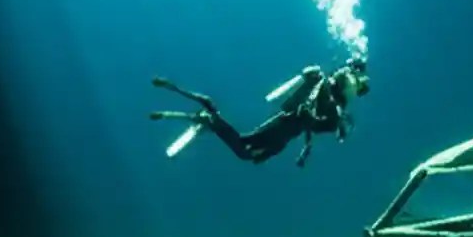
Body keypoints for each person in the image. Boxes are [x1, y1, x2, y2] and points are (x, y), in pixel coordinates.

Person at [149, 57, 370, 167]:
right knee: (245, 148)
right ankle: (208, 116)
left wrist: (306, 150)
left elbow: (311, 121)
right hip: (284, 126)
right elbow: (314, 119)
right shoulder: (328, 95)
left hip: (286, 131)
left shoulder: (327, 94)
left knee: (249, 154)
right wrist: (309, 143)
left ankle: (209, 121)